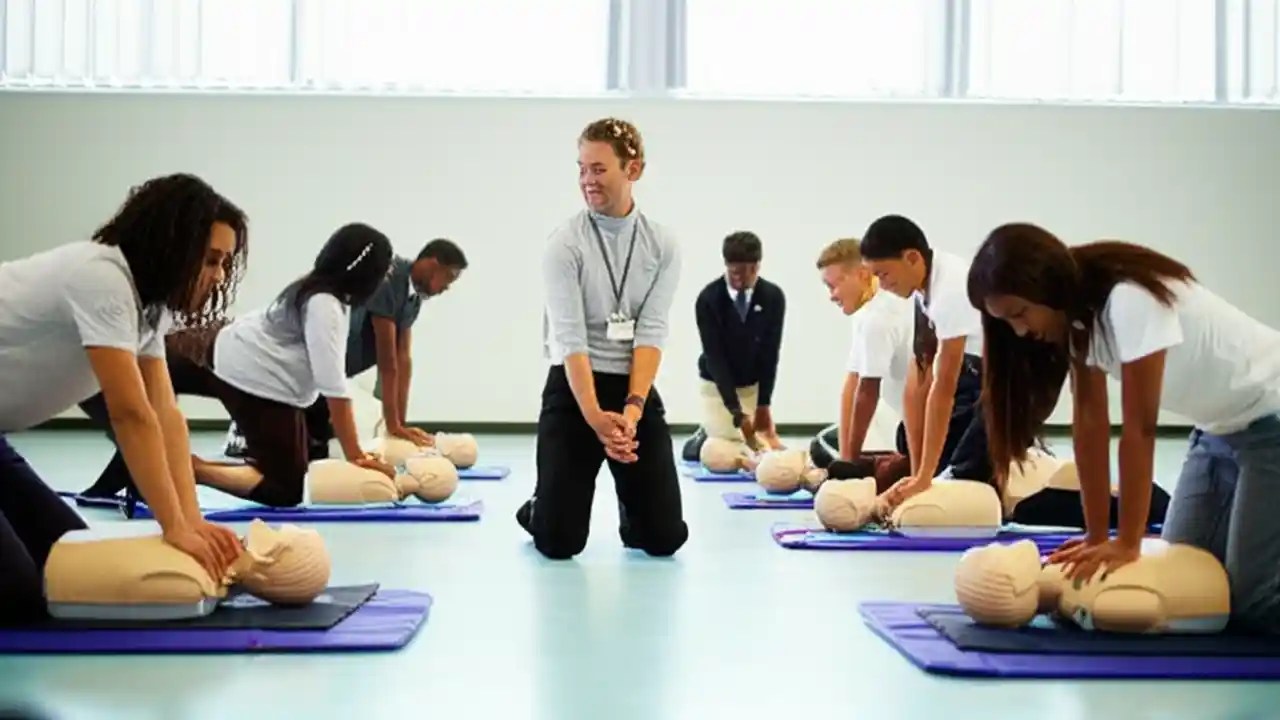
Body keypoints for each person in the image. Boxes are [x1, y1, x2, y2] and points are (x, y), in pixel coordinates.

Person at [968, 222, 1279, 633]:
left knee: (1251, 602)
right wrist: (1098, 535)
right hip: (1215, 432)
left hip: (1271, 421)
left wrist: (1129, 542)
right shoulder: (1080, 322)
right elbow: (1090, 428)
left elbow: (1139, 429)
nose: (1021, 331)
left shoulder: (1130, 300)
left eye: (1020, 314)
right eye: (1008, 323)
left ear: (1045, 286)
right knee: (1187, 577)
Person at [0, 173, 246, 622]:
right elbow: (131, 414)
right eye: (211, 260)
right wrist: (171, 526)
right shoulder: (100, 277)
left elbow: (166, 414)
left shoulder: (147, 306)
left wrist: (192, 523)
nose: (219, 276)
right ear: (174, 245)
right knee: (15, 594)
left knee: (66, 561)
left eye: (225, 263)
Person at [78, 223, 398, 509]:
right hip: (248, 376)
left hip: (227, 350)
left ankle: (108, 487)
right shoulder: (324, 304)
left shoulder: (318, 291)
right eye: (384, 271)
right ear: (365, 272)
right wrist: (356, 455)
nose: (385, 279)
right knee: (284, 490)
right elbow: (332, 385)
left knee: (286, 479)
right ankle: (187, 468)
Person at [517, 117, 688, 560]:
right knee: (558, 544)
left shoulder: (662, 244)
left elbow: (651, 331)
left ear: (634, 170)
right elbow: (569, 339)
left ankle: (637, 514)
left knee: (664, 540)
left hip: (632, 386)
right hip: (575, 388)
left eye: (598, 169)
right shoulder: (564, 244)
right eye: (581, 169)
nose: (587, 181)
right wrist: (594, 416)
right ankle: (540, 508)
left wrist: (632, 411)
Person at [220, 237, 469, 459]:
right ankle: (242, 429)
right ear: (432, 264)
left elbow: (403, 359)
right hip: (311, 360)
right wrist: (393, 426)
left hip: (333, 369)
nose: (447, 287)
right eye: (448, 277)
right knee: (288, 406)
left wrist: (399, 425)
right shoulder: (391, 280)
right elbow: (388, 360)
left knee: (315, 441)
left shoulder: (413, 298)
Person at [857, 215, 994, 506]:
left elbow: (943, 387)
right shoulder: (922, 292)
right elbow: (919, 375)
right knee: (907, 438)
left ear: (912, 258)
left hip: (996, 382)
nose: (882, 286)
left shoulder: (951, 290)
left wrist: (925, 478)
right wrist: (919, 471)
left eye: (883, 274)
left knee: (961, 476)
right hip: (971, 378)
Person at [810, 238, 914, 491]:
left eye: (833, 285)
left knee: (895, 462)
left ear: (862, 275)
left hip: (929, 428)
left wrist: (849, 468)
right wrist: (848, 460)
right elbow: (851, 384)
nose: (832, 296)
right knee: (823, 445)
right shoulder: (867, 312)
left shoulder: (881, 317)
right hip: (911, 427)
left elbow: (867, 392)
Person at [681, 231, 785, 462]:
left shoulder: (773, 297)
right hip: (717, 385)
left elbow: (770, 354)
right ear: (726, 265)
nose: (742, 279)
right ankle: (702, 437)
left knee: (761, 445)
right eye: (735, 272)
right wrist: (736, 412)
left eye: (750, 272)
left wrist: (763, 405)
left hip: (751, 385)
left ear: (758, 266)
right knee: (725, 449)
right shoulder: (708, 299)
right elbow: (715, 356)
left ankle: (721, 433)